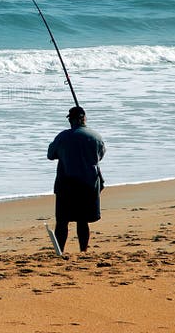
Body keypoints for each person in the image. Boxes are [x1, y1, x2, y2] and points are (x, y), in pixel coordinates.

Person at [47, 106, 106, 252]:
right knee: (82, 221)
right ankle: (83, 251)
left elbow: (50, 154)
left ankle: (59, 251)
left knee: (62, 221)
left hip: (66, 184)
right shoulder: (96, 136)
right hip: (89, 184)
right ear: (84, 119)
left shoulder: (63, 136)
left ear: (72, 120)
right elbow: (100, 156)